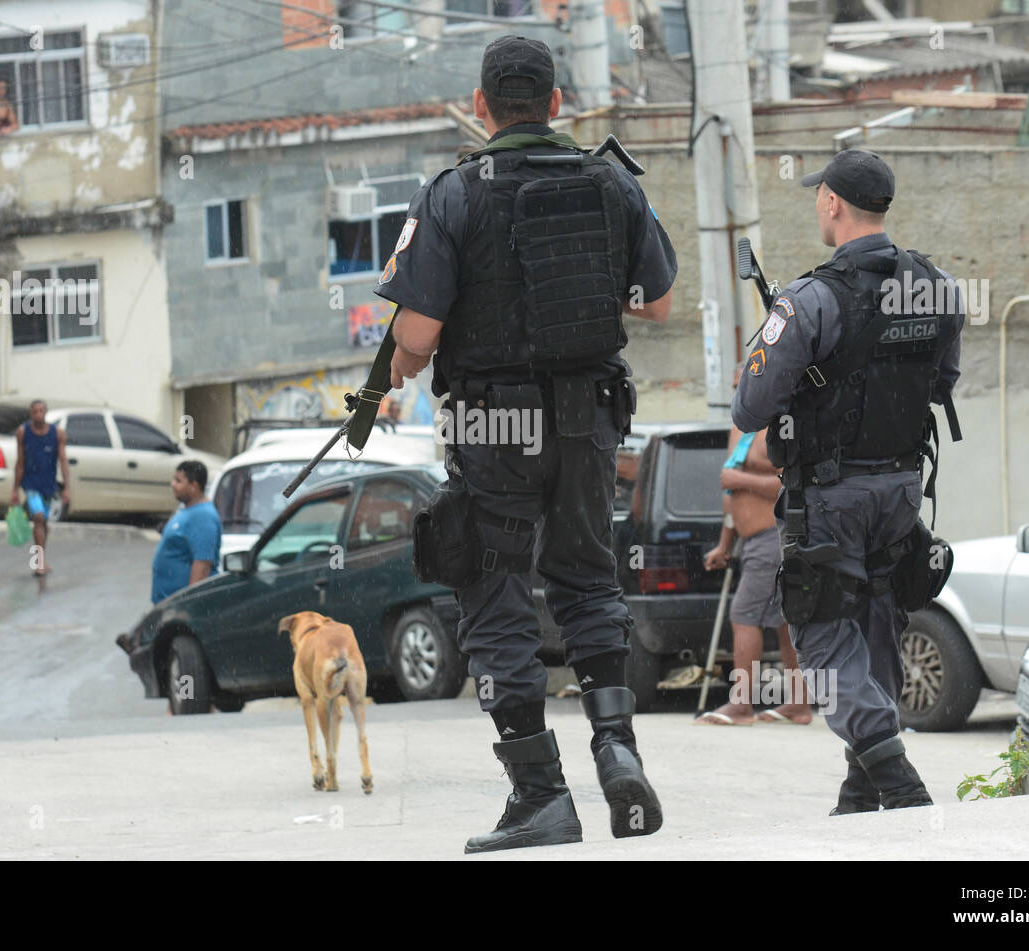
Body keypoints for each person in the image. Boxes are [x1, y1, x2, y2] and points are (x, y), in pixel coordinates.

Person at [376, 35, 677, 853]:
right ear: (555, 103)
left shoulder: (453, 194)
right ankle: (617, 749)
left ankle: (540, 794)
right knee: (586, 579)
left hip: (490, 426)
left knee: (494, 590)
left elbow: (419, 334)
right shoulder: (611, 180)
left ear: (480, 106)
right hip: (589, 419)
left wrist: (399, 357)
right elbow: (657, 303)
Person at [732, 148, 963, 814]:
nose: (815, 204)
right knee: (877, 623)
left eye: (817, 195)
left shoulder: (810, 299)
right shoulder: (938, 287)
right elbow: (942, 384)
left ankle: (894, 776)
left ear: (833, 202)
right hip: (899, 488)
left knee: (822, 633)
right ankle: (862, 789)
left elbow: (750, 406)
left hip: (831, 496)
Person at [696, 368, 812, 727]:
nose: (739, 394)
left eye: (743, 387)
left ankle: (741, 704)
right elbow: (731, 493)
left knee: (744, 614)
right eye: (735, 388)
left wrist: (741, 478)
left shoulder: (782, 424)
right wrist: (724, 543)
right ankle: (798, 704)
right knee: (782, 620)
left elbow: (793, 486)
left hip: (774, 537)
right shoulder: (741, 428)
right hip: (751, 540)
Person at [10, 399, 69, 578]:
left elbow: (63, 461)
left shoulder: (57, 434)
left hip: (48, 485)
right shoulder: (23, 432)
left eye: (41, 411)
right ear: (31, 414)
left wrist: (66, 488)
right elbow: (20, 463)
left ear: (46, 412)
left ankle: (41, 558)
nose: (38, 415)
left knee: (44, 524)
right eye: (35, 412)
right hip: (31, 484)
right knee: (38, 518)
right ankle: (39, 563)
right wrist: (14, 490)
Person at [150, 461, 221, 605]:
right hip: (167, 605)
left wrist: (188, 608)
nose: (173, 484)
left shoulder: (203, 517)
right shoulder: (188, 509)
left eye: (178, 481)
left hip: (180, 609)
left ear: (194, 485)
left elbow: (202, 567)